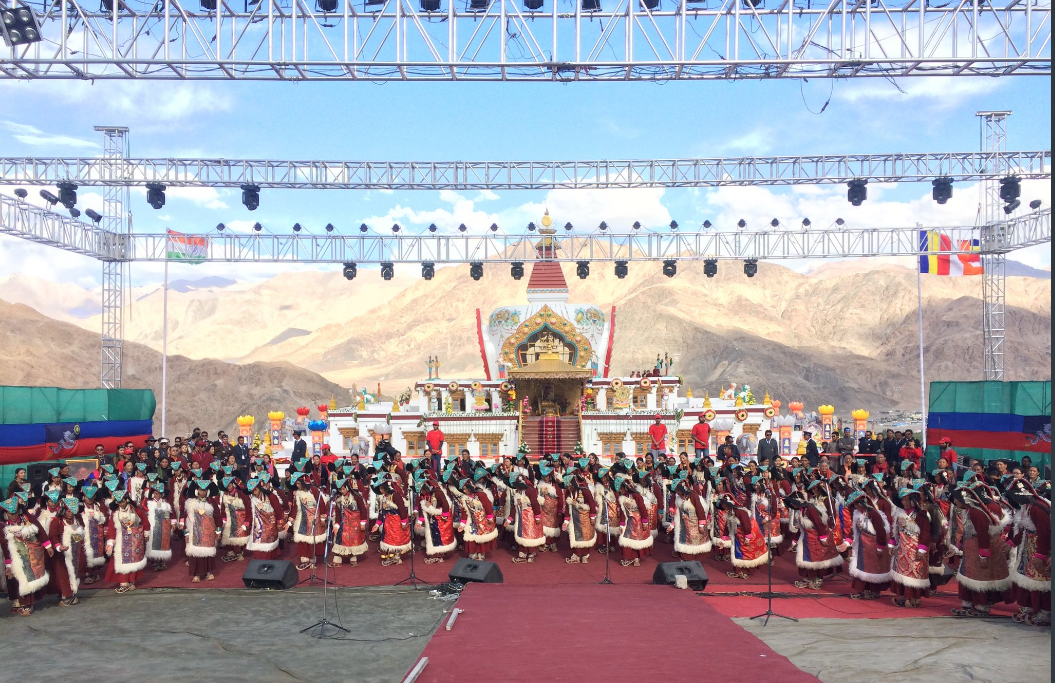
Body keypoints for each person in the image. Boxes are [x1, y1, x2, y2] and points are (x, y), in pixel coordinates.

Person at [948, 483, 1012, 618]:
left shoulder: (976, 512)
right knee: (968, 577)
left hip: (979, 551)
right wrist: (957, 548)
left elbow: (983, 534)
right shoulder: (970, 510)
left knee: (981, 579)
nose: (954, 501)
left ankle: (982, 606)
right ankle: (968, 604)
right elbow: (967, 532)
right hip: (971, 552)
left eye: (956, 499)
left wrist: (983, 556)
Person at [1005, 479, 1051, 626]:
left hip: (1039, 547)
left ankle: (1046, 612)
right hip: (1028, 547)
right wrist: (1011, 543)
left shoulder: (1038, 508)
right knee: (1028, 579)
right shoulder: (1027, 507)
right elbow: (1026, 528)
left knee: (1041, 581)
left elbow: (1045, 533)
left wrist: (1041, 555)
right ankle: (1032, 608)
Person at [2, 494, 51, 616]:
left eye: (15, 513)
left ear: (19, 511)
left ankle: (29, 603)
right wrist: (8, 566)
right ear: (5, 514)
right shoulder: (3, 526)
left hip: (32, 554)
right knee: (17, 579)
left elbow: (39, 530)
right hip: (14, 557)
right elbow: (4, 546)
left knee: (30, 577)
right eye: (10, 514)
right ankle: (22, 601)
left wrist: (48, 545)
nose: (13, 516)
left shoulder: (27, 518)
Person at [889, 488, 932, 608]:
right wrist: (891, 544)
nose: (904, 503)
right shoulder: (899, 514)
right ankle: (902, 596)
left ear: (913, 501)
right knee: (901, 573)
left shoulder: (921, 514)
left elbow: (925, 533)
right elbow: (895, 531)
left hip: (915, 548)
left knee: (914, 574)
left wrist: (921, 549)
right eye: (902, 500)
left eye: (907, 500)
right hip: (901, 548)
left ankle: (914, 597)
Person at [845, 490, 890, 600]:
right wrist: (848, 542)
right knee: (860, 568)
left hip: (873, 547)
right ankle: (862, 591)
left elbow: (881, 531)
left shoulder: (873, 514)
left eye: (855, 504)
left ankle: (874, 591)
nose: (854, 507)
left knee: (873, 570)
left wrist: (880, 548)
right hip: (862, 547)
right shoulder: (857, 514)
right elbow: (854, 531)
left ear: (861, 503)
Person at [104, 485, 150, 593]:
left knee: (134, 560)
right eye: (119, 502)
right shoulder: (115, 514)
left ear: (127, 500)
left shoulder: (136, 511)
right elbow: (111, 529)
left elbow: (145, 522)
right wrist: (110, 543)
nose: (122, 504)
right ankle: (124, 582)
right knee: (121, 561)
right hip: (121, 540)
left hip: (135, 539)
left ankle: (132, 581)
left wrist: (146, 534)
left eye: (123, 501)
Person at [717, 491, 768, 580]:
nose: (723, 506)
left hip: (748, 534)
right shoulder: (729, 513)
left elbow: (746, 524)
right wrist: (723, 540)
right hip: (738, 536)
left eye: (724, 504)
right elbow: (727, 527)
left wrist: (748, 537)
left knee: (747, 552)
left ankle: (743, 570)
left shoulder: (740, 512)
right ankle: (738, 570)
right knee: (738, 552)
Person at [48, 496, 86, 607]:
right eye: (68, 511)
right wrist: (59, 546)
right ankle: (66, 595)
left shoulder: (77, 519)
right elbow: (53, 536)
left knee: (74, 572)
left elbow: (82, 530)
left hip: (75, 552)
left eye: (72, 511)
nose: (70, 513)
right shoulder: (57, 522)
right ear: (63, 511)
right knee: (63, 574)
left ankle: (71, 592)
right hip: (62, 554)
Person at [670, 473, 711, 559]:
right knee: (683, 542)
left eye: (677, 490)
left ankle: (692, 561)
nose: (676, 492)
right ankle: (685, 560)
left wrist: (701, 525)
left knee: (693, 544)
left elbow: (700, 510)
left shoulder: (693, 496)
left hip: (694, 525)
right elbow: (677, 512)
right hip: (683, 525)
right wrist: (672, 524)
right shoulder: (678, 498)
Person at [330, 477, 369, 567]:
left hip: (355, 523)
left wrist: (363, 522)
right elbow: (338, 514)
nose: (342, 491)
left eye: (343, 489)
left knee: (354, 540)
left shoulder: (357, 496)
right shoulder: (339, 499)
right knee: (340, 539)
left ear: (347, 487)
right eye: (340, 489)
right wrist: (336, 525)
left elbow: (363, 509)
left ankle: (353, 557)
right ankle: (338, 559)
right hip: (344, 523)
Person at [373, 475, 411, 566]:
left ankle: (397, 557)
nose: (380, 491)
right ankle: (392, 556)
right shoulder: (383, 498)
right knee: (389, 540)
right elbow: (382, 513)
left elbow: (402, 509)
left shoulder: (396, 496)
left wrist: (404, 522)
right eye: (379, 489)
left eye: (381, 488)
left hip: (396, 522)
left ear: (385, 488)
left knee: (396, 540)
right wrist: (377, 525)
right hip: (388, 523)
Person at [615, 475, 652, 567]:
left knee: (637, 540)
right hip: (629, 521)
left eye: (620, 488)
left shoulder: (636, 495)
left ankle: (636, 558)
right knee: (627, 539)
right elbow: (623, 512)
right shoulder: (622, 498)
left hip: (638, 521)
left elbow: (642, 509)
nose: (620, 491)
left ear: (625, 487)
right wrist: (622, 524)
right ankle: (629, 558)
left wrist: (645, 522)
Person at [508, 472, 545, 564]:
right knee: (522, 535)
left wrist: (537, 516)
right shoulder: (518, 492)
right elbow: (514, 507)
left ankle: (530, 554)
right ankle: (524, 554)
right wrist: (510, 519)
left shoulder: (529, 491)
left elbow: (535, 504)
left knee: (530, 535)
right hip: (521, 517)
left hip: (530, 517)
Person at [563, 472, 597, 564]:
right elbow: (567, 506)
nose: (569, 488)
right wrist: (566, 520)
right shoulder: (568, 492)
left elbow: (591, 503)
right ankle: (576, 555)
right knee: (576, 536)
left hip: (585, 517)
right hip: (574, 519)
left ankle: (585, 555)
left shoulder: (584, 490)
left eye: (570, 485)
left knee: (586, 537)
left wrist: (592, 517)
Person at [246, 478, 285, 560]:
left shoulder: (271, 496)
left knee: (269, 544)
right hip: (258, 526)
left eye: (255, 489)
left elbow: (278, 510)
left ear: (259, 488)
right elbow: (249, 513)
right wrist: (245, 524)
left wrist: (279, 522)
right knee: (258, 544)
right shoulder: (251, 499)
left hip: (270, 524)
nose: (254, 492)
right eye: (252, 490)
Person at [219, 476, 251, 563]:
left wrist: (246, 523)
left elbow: (249, 509)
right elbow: (223, 509)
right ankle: (231, 552)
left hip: (241, 519)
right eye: (226, 486)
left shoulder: (242, 494)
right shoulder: (225, 495)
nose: (228, 487)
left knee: (239, 537)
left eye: (229, 485)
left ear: (233, 484)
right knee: (228, 536)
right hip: (229, 518)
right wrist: (224, 520)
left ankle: (240, 552)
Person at [144, 482, 173, 572]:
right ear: (153, 494)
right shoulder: (148, 504)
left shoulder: (166, 505)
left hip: (164, 527)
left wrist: (172, 524)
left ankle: (162, 562)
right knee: (153, 545)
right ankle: (155, 563)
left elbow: (170, 516)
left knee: (163, 544)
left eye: (160, 494)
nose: (158, 495)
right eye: (156, 494)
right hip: (153, 527)